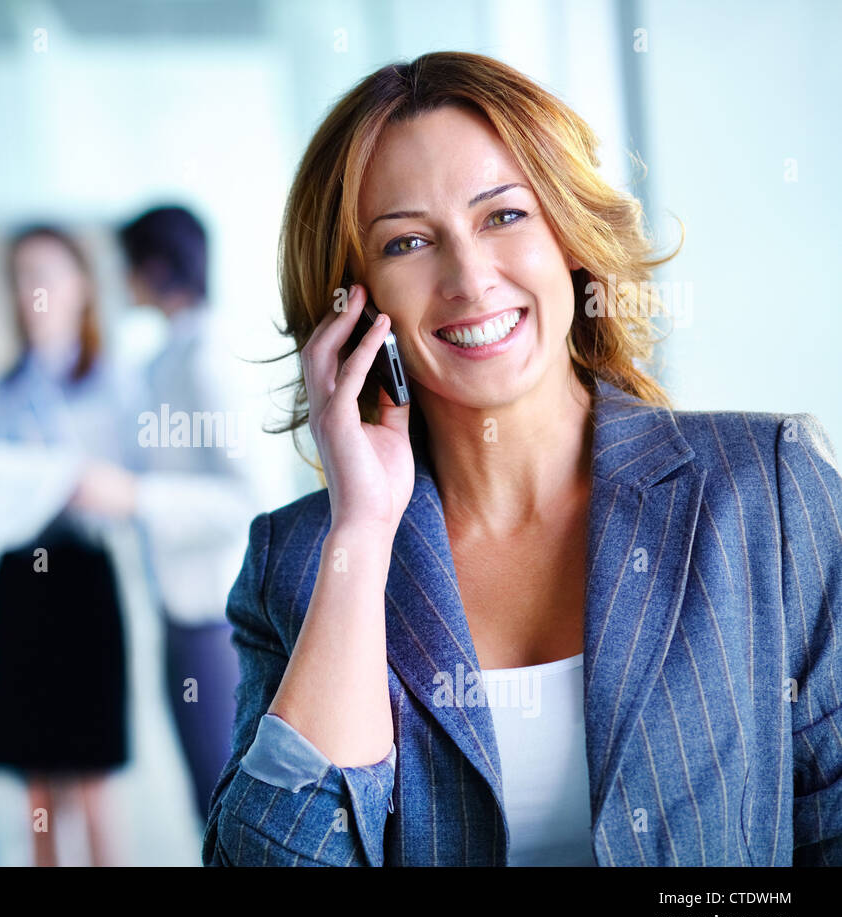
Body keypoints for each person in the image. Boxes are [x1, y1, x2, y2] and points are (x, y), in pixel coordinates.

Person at [203, 52, 842, 866]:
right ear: (354, 302)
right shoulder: (295, 565)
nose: (469, 278)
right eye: (406, 242)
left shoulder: (768, 490)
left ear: (568, 236)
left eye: (503, 217)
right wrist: (362, 537)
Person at [72, 205, 256, 826]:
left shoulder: (207, 359)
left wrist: (137, 497)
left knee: (222, 806)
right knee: (204, 800)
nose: (118, 281)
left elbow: (248, 499)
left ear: (152, 267)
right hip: (179, 614)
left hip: (214, 620)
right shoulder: (160, 362)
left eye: (125, 265)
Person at [0, 225, 131, 867]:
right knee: (35, 784)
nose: (33, 288)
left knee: (93, 779)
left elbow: (134, 490)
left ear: (82, 286)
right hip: (19, 588)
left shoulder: (114, 385)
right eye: (21, 275)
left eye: (48, 272)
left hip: (84, 581)